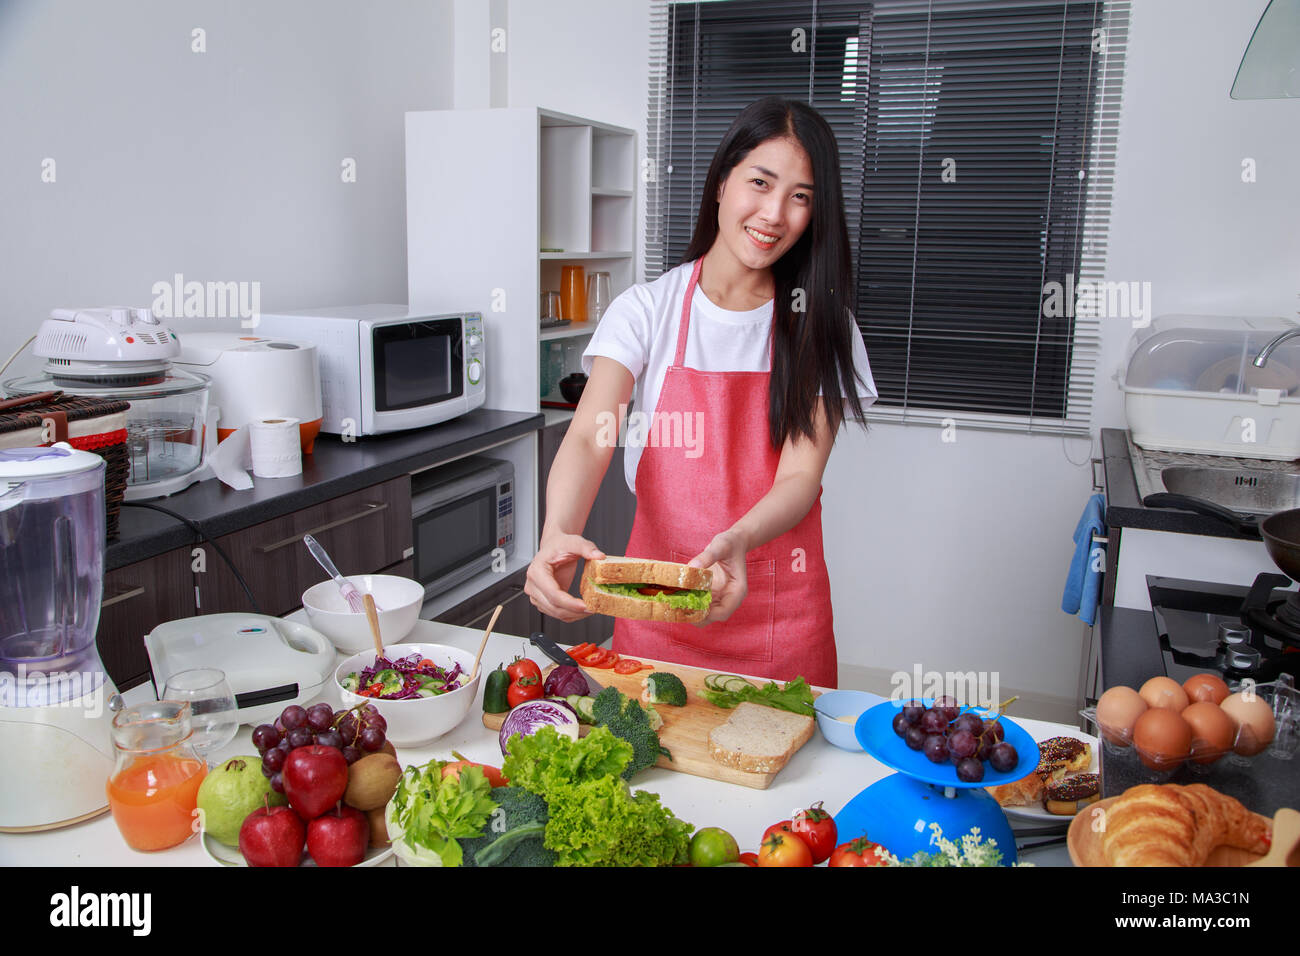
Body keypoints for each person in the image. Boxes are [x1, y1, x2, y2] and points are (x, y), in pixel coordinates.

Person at [524, 96, 876, 688]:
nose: (774, 213)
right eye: (759, 183)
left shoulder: (824, 325)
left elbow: (799, 478)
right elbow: (590, 435)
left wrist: (736, 538)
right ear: (721, 183)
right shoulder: (647, 311)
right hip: (654, 610)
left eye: (800, 197)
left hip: (779, 621)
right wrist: (557, 530)